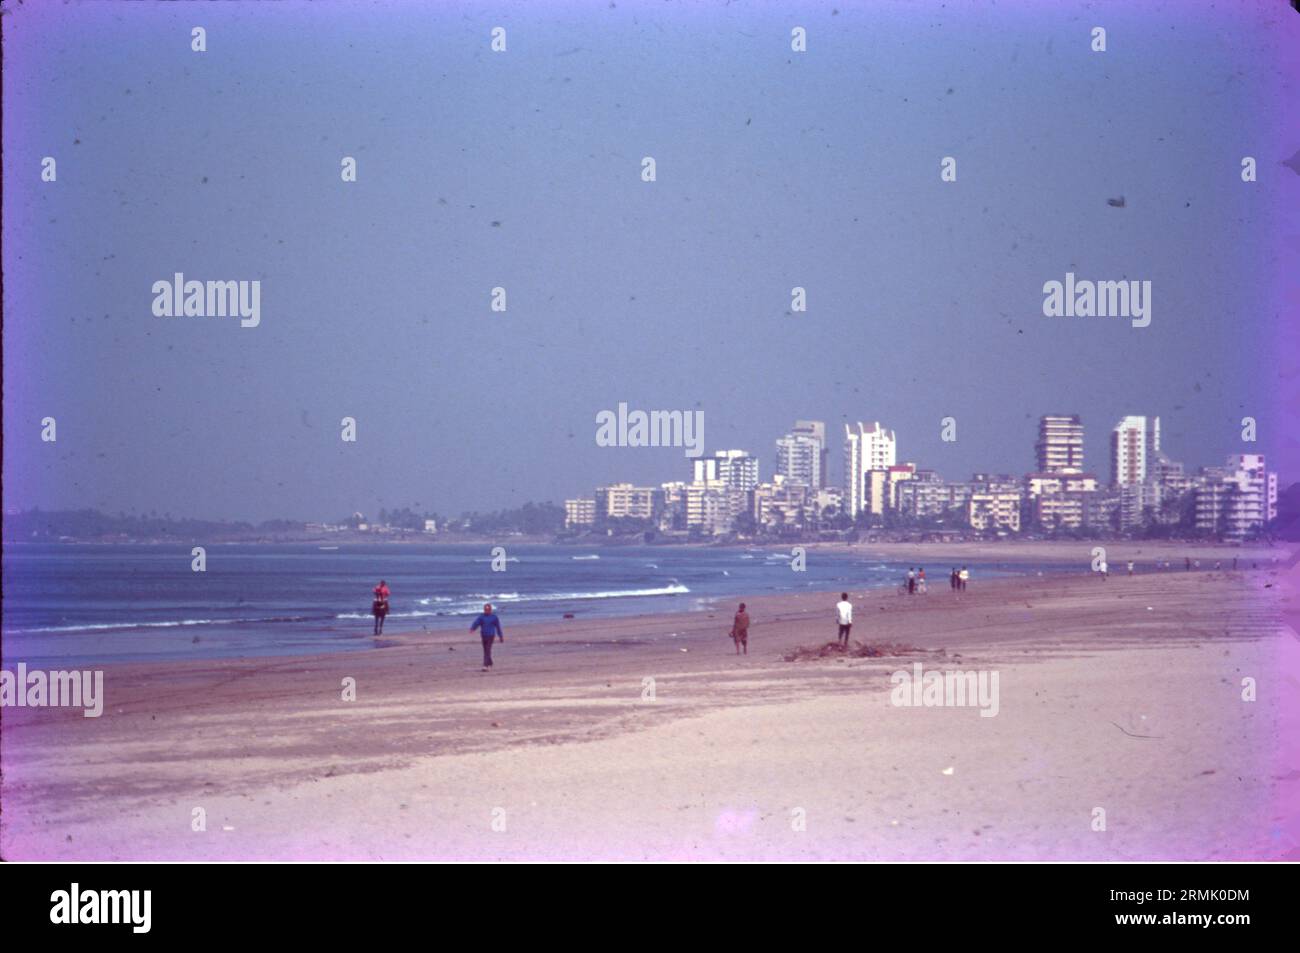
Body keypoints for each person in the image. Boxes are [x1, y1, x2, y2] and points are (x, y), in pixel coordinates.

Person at [470, 602, 504, 670]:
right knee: (485, 650)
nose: (487, 611)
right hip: (483, 635)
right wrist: (472, 628)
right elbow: (476, 623)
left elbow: (498, 627)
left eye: (488, 610)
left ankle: (485, 666)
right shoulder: (481, 617)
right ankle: (490, 663)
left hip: (491, 636)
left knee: (488, 650)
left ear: (490, 610)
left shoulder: (494, 617)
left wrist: (501, 636)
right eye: (485, 609)